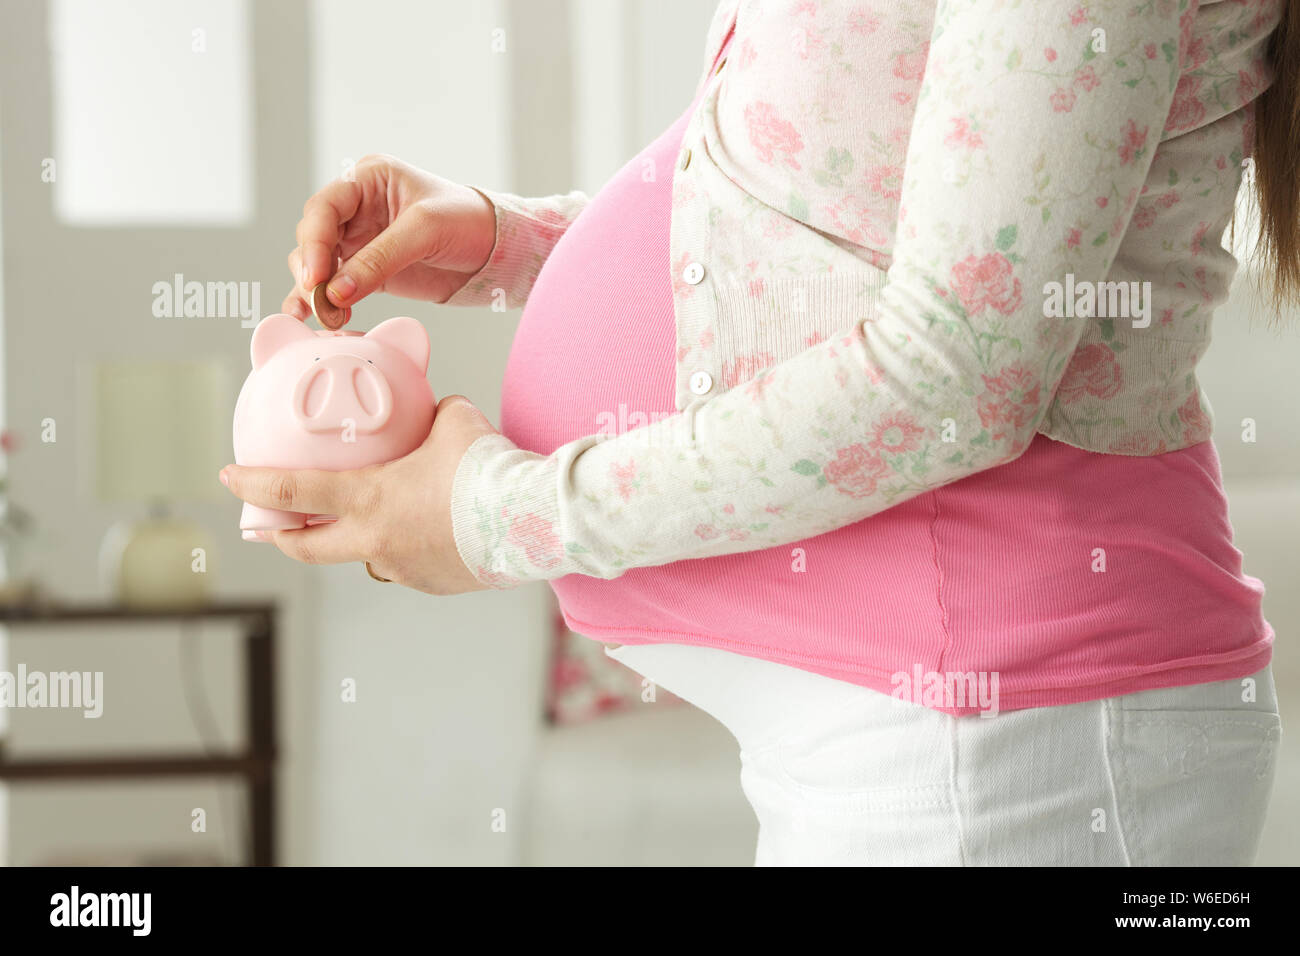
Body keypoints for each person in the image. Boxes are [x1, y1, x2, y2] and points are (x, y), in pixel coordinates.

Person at [221, 0, 1291, 865]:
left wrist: (492, 516)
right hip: (919, 738)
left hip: (1003, 733)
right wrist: (511, 242)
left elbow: (960, 374)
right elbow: (841, 238)